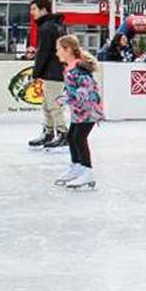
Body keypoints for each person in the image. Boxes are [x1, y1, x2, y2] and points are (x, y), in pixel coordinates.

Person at [53, 35, 103, 190]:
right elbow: (72, 88)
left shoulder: (79, 69)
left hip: (89, 110)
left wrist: (68, 98)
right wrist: (65, 96)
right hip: (79, 111)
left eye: (59, 49)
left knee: (79, 138)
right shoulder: (70, 68)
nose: (57, 53)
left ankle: (87, 172)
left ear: (68, 50)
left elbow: (86, 89)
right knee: (72, 137)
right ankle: (77, 167)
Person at [29, 0, 68, 150]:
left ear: (43, 9)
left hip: (53, 72)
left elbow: (43, 52)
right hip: (55, 71)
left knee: (53, 105)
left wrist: (36, 73)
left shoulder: (47, 27)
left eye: (34, 9)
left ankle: (63, 133)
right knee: (47, 104)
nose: (32, 12)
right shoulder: (57, 25)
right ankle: (49, 132)